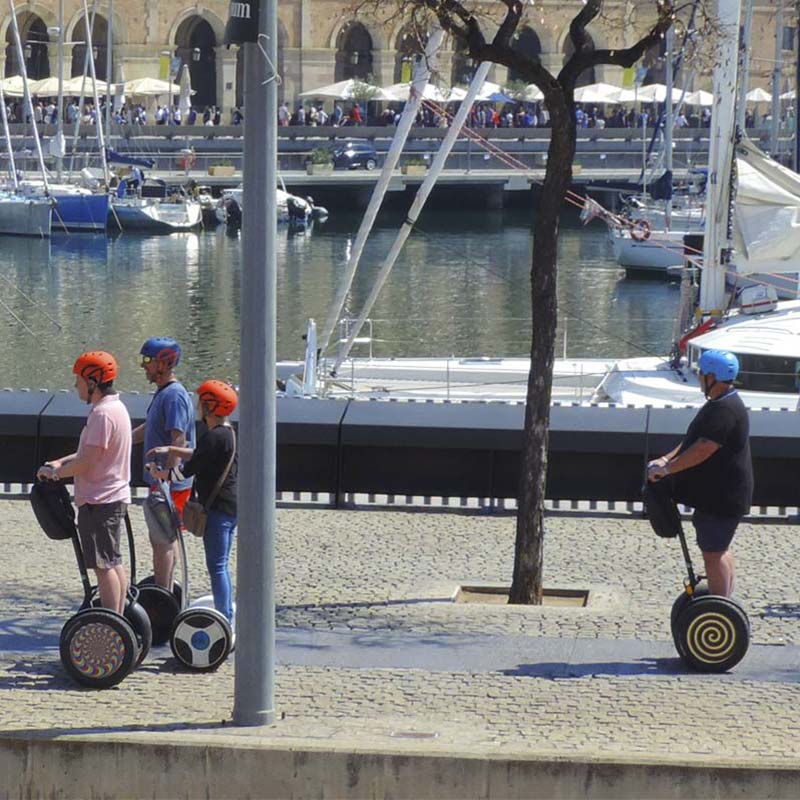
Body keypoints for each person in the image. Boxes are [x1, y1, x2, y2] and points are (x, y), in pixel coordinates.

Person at [647, 350, 753, 597]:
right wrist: (666, 459)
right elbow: (692, 442)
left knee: (714, 554)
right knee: (719, 549)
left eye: (701, 374)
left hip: (723, 496)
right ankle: (724, 604)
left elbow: (704, 448)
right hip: (719, 494)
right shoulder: (719, 403)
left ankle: (719, 611)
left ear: (713, 377)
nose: (698, 378)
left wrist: (668, 469)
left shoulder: (724, 410)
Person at [37, 352, 132, 615]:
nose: (76, 385)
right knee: (113, 562)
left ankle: (111, 623)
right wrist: (59, 462)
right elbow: (88, 453)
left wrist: (55, 474)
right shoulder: (117, 408)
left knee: (103, 566)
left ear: (92, 381)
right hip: (111, 496)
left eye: (79, 380)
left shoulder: (102, 414)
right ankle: (118, 618)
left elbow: (86, 463)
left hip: (99, 500)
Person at [146, 380, 238, 625]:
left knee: (217, 566)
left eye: (201, 402)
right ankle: (226, 611)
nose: (197, 406)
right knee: (222, 563)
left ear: (209, 406)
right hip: (229, 507)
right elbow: (200, 455)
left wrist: (161, 474)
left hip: (216, 509)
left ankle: (225, 618)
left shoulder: (213, 437)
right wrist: (172, 449)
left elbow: (189, 470)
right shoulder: (227, 433)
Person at [132, 337, 195, 593]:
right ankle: (166, 588)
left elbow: (177, 439)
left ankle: (163, 596)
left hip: (169, 484)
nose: (143, 366)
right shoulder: (164, 394)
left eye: (148, 361)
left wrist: (167, 477)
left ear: (164, 363)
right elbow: (151, 429)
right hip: (162, 481)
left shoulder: (173, 396)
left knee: (162, 540)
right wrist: (121, 439)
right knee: (165, 537)